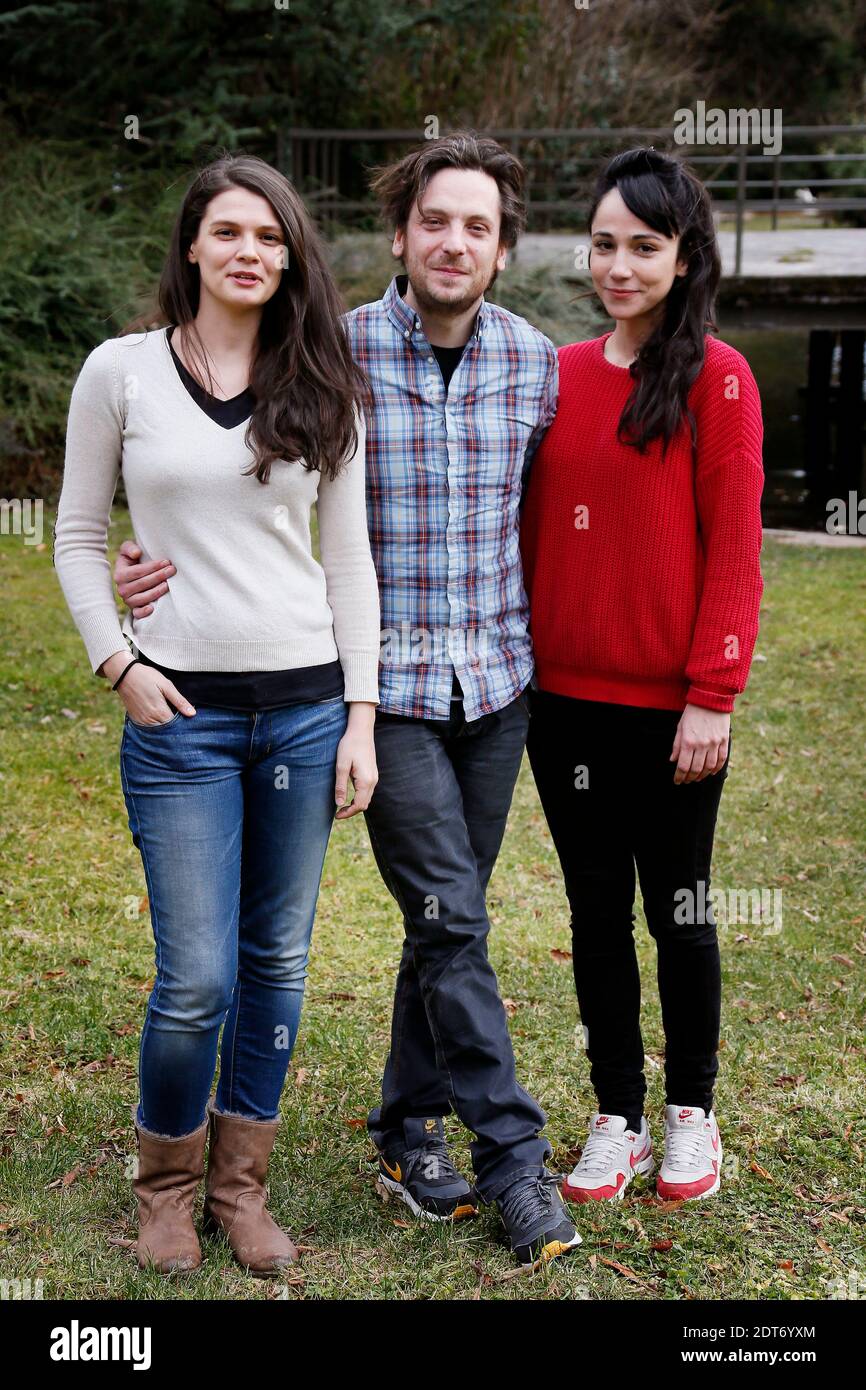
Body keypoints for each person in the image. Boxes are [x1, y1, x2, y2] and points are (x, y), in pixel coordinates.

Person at [114, 132, 581, 1269]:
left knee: (442, 919)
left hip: (498, 687)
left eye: (476, 225)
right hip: (381, 688)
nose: (453, 241)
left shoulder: (538, 367)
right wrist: (147, 555)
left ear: (504, 248)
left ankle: (404, 1125)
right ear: (398, 235)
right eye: (434, 220)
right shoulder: (334, 351)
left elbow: (567, 516)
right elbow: (234, 477)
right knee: (452, 914)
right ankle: (510, 1157)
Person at [54, 154, 380, 1276]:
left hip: (298, 712)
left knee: (276, 962)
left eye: (272, 237)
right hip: (178, 718)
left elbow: (349, 560)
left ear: (290, 258)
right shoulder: (122, 372)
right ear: (192, 244)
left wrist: (360, 715)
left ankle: (242, 1189)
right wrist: (117, 661)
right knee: (196, 975)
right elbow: (77, 535)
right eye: (230, 231)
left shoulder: (322, 377)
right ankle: (165, 1187)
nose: (251, 251)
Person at [520, 146, 764, 1205]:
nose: (619, 265)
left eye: (643, 247)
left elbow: (733, 547)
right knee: (590, 913)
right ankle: (614, 1111)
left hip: (671, 712)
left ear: (680, 255)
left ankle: (688, 1114)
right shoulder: (556, 373)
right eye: (606, 244)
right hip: (559, 705)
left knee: (679, 911)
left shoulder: (716, 376)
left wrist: (712, 690)